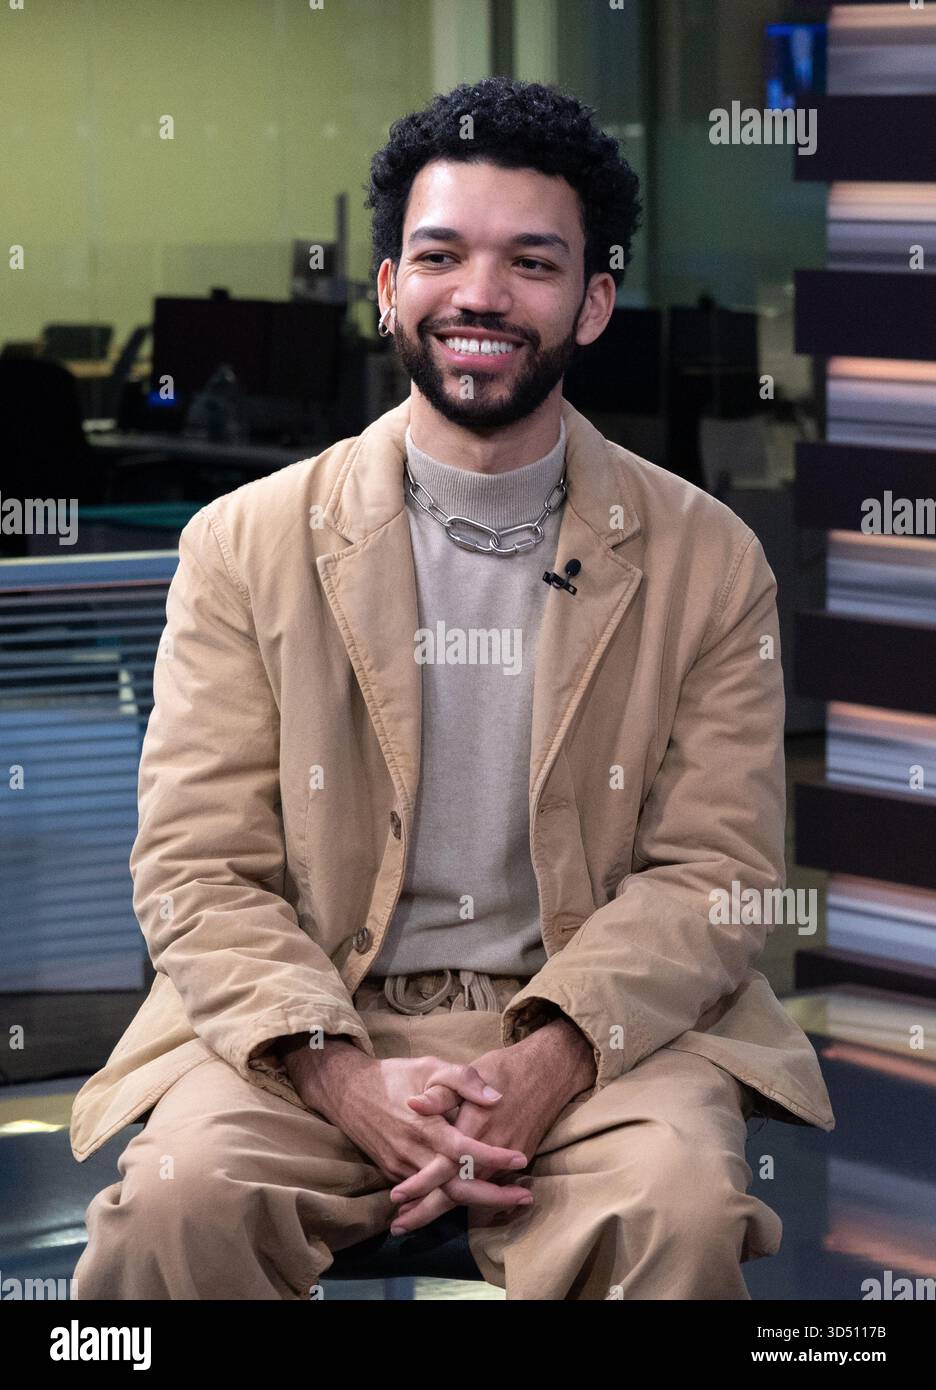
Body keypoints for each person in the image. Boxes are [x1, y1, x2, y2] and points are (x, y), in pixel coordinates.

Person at [71, 77, 834, 1301]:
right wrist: (342, 1073)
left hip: (601, 1035)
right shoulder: (244, 544)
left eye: (531, 263)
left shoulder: (707, 557)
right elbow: (197, 867)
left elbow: (717, 870)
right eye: (441, 254)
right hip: (310, 1019)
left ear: (593, 303)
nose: (481, 293)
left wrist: (544, 1064)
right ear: (388, 289)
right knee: (176, 1205)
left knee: (678, 1211)